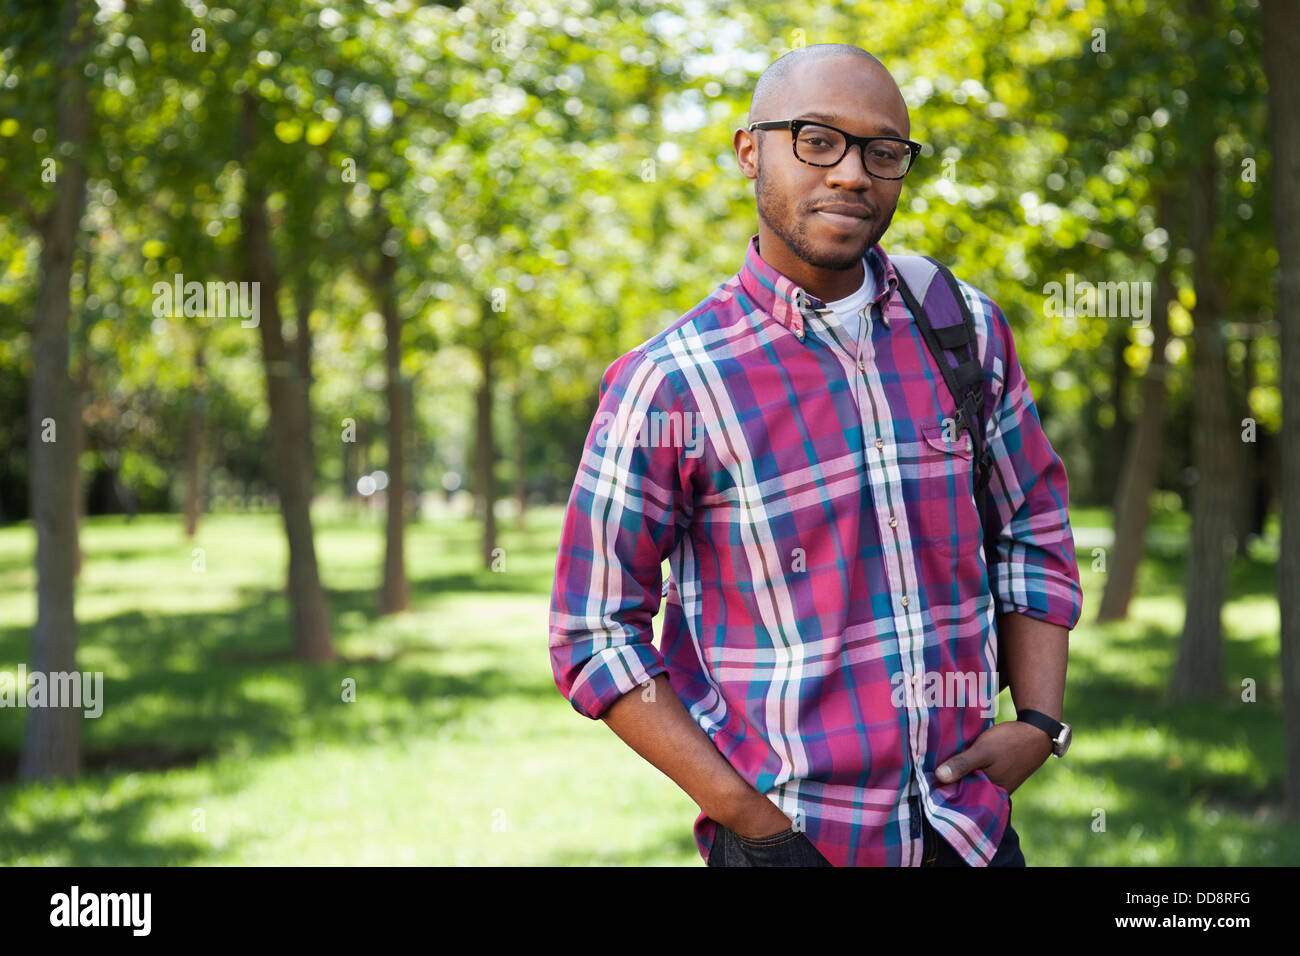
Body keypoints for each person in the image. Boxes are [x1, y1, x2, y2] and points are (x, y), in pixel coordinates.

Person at [548, 42, 1083, 866]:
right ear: (748, 150)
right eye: (817, 139)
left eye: (882, 151)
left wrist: (1040, 725)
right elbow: (593, 630)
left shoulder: (963, 328)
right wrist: (750, 819)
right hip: (793, 841)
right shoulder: (671, 384)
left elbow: (1032, 523)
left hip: (968, 834)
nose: (851, 174)